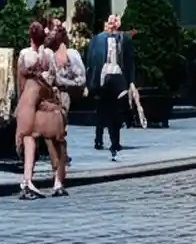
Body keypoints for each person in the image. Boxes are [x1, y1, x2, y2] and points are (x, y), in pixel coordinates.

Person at [15, 21, 65, 200]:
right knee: (53, 139)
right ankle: (57, 181)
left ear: (30, 37)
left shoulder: (24, 54)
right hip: (45, 102)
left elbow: (20, 82)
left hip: (29, 102)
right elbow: (54, 77)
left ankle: (27, 179)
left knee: (29, 138)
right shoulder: (48, 54)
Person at [87, 14, 134, 161]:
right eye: (110, 21)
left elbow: (129, 61)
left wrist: (131, 82)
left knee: (117, 110)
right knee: (102, 109)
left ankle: (115, 141)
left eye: (115, 21)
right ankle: (99, 138)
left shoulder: (123, 39)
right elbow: (91, 60)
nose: (112, 24)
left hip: (118, 74)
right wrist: (90, 82)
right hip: (103, 75)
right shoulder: (98, 39)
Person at [47, 20, 85, 191]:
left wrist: (62, 82)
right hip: (49, 95)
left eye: (54, 31)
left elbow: (80, 79)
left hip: (62, 95)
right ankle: (57, 165)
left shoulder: (71, 54)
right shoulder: (48, 53)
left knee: (58, 132)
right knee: (49, 133)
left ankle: (59, 169)